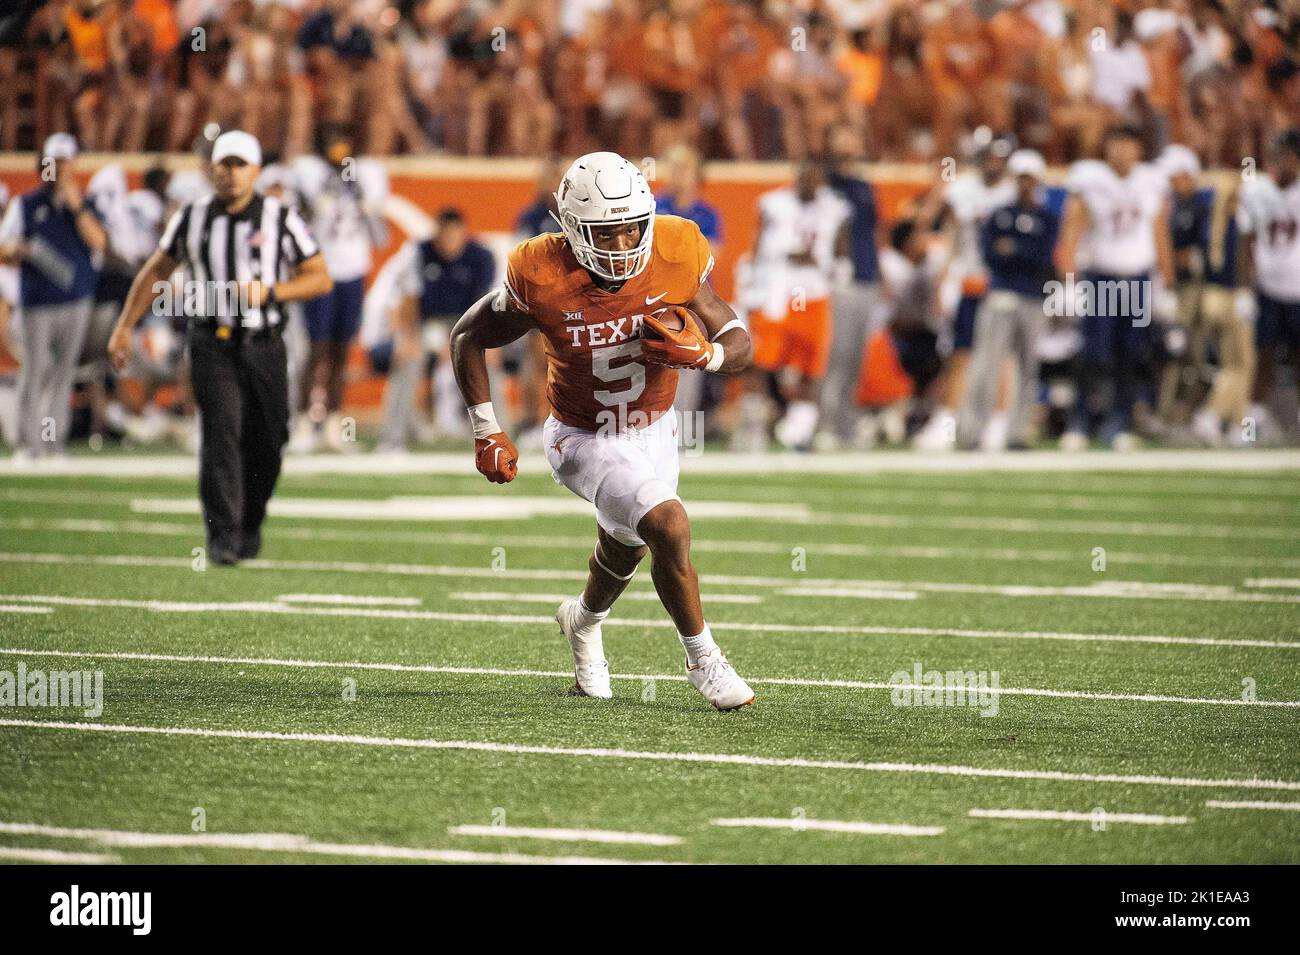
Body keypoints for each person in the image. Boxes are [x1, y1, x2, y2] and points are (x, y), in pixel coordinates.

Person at [449, 151, 757, 711]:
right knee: (669, 524)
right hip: (581, 435)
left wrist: (707, 355)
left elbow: (738, 338)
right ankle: (703, 658)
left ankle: (583, 622)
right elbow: (469, 336)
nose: (620, 247)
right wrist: (486, 428)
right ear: (570, 229)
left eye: (630, 230)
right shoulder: (542, 273)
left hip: (657, 427)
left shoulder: (676, 248)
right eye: (604, 234)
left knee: (628, 546)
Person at [108, 130, 332, 564]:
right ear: (211, 168)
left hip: (265, 343)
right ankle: (222, 537)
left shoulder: (280, 217)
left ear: (256, 171)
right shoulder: (190, 217)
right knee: (221, 435)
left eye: (239, 164)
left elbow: (320, 277)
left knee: (270, 439)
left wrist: (270, 292)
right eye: (223, 163)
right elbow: (156, 270)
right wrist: (123, 327)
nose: (230, 173)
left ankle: (248, 522)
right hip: (211, 342)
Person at [1056, 123, 1175, 450]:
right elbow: (1072, 231)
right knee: (1093, 353)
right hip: (1100, 278)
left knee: (1131, 356)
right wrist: (1068, 283)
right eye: (1116, 144)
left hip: (1137, 279)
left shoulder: (1151, 181)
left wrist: (1167, 285)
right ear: (1106, 147)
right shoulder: (1090, 179)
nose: (1122, 151)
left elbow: (1160, 233)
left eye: (1128, 144)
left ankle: (1119, 423)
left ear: (1139, 149)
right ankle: (1079, 421)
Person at [0, 132, 107, 462]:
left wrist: (76, 208)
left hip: (75, 299)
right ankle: (27, 443)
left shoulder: (84, 204)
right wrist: (17, 250)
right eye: (53, 162)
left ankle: (51, 442)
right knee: (35, 371)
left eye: (64, 162)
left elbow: (99, 242)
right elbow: (3, 245)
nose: (59, 168)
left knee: (63, 374)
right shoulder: (27, 204)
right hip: (39, 301)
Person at [735, 156, 850, 452]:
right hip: (777, 292)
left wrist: (822, 264)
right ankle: (755, 425)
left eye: (814, 177)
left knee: (810, 366)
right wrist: (750, 287)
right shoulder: (773, 204)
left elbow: (843, 261)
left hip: (813, 294)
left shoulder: (835, 209)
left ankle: (799, 432)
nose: (808, 183)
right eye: (804, 176)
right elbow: (757, 250)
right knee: (760, 361)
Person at [290, 126, 389, 452]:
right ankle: (303, 422)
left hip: (353, 271)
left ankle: (335, 425)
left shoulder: (368, 175)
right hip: (320, 271)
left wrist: (357, 191)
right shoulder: (308, 173)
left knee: (341, 352)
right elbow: (306, 217)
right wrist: (330, 187)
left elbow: (380, 235)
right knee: (316, 350)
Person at [956, 149, 1058, 450]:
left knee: (1027, 368)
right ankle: (971, 433)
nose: (1026, 184)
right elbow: (990, 254)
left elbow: (1043, 257)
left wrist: (1014, 248)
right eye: (1021, 178)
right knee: (986, 365)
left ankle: (1018, 434)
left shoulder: (1046, 218)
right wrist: (1022, 252)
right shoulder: (999, 213)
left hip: (1032, 297)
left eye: (1031, 179)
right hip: (1000, 294)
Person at [379, 208, 495, 451]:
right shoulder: (418, 253)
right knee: (407, 361)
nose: (449, 242)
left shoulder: (481, 256)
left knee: (489, 362)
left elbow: (486, 303)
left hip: (466, 323)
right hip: (426, 323)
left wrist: (489, 340)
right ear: (436, 234)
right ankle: (392, 439)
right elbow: (409, 300)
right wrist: (408, 339)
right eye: (445, 235)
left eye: (455, 235)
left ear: (464, 234)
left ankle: (496, 436)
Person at [1238, 129, 1300, 445]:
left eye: (1287, 157)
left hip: (1298, 291)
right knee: (1262, 361)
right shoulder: (1256, 191)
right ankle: (1249, 431)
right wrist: (1244, 290)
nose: (1280, 163)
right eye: (1276, 156)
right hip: (1268, 290)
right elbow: (1245, 243)